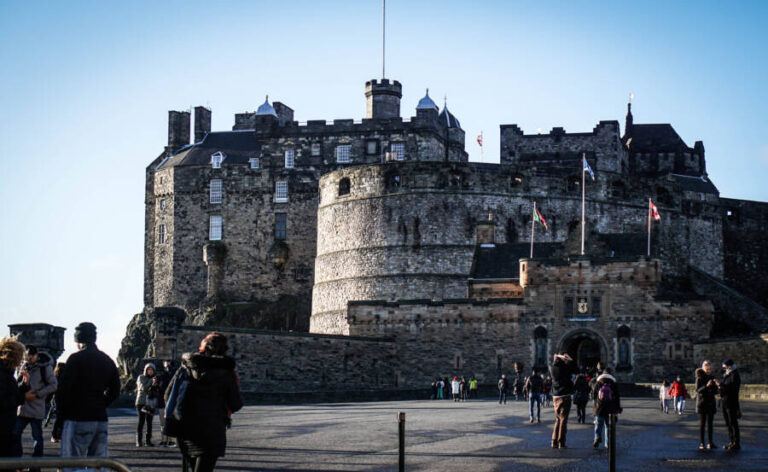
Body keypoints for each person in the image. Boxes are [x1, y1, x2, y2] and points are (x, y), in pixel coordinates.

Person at [169, 332, 243, 472]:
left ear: (204, 347)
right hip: (212, 432)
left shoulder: (186, 367)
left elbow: (168, 395)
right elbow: (236, 404)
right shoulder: (226, 372)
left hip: (186, 431)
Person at [55, 322, 121, 469]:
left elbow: (63, 393)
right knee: (98, 465)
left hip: (77, 417)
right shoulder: (107, 360)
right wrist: (101, 402)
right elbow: (116, 390)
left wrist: (59, 421)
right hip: (100, 417)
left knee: (71, 464)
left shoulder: (75, 359)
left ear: (79, 341)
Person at [12, 345, 57, 460]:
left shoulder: (45, 368)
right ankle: (17, 459)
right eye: (26, 358)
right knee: (15, 434)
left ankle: (36, 463)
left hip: (36, 407)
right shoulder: (23, 366)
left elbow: (54, 385)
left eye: (30, 357)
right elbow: (16, 384)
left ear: (36, 355)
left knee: (37, 437)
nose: (28, 360)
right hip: (23, 407)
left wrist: (38, 394)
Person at [1, 337, 29, 458]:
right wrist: (23, 396)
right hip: (3, 428)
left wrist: (23, 386)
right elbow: (2, 401)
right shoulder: (3, 373)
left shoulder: (5, 372)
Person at [549, 352, 577, 449]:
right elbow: (574, 368)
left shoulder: (552, 368)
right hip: (565, 395)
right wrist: (569, 359)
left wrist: (559, 357)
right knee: (563, 419)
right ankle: (561, 442)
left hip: (555, 396)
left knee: (557, 419)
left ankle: (554, 441)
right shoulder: (565, 368)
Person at [592, 367, 622, 449]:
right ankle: (607, 443)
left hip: (600, 407)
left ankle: (597, 437)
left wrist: (595, 406)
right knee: (608, 426)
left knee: (598, 425)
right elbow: (617, 397)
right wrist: (618, 409)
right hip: (610, 408)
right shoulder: (613, 383)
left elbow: (593, 395)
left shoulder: (598, 382)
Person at [135, 362, 160, 447]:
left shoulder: (154, 379)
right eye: (148, 369)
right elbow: (143, 388)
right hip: (141, 402)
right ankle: (139, 441)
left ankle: (148, 441)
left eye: (151, 370)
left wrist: (156, 384)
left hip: (150, 403)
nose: (150, 371)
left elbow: (156, 391)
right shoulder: (141, 377)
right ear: (145, 370)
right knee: (141, 421)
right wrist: (151, 381)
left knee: (149, 422)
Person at [719, 359, 741, 451]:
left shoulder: (735, 375)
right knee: (728, 424)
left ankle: (736, 443)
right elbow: (724, 387)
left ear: (729, 366)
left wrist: (720, 385)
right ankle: (732, 441)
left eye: (724, 366)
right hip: (725, 402)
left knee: (733, 423)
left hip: (731, 402)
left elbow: (733, 389)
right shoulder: (728, 374)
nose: (723, 367)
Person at [695, 360, 718, 451]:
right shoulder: (699, 378)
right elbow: (698, 390)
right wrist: (707, 386)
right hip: (702, 403)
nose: (708, 368)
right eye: (706, 366)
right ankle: (701, 443)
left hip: (711, 403)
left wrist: (716, 387)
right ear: (703, 367)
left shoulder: (712, 377)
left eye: (709, 366)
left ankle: (710, 443)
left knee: (710, 424)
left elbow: (715, 391)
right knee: (702, 424)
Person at [44, 362, 66, 443]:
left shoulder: (55, 377)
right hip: (64, 400)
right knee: (62, 419)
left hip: (56, 399)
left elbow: (51, 390)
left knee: (57, 418)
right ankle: (58, 435)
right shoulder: (66, 378)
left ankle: (54, 435)